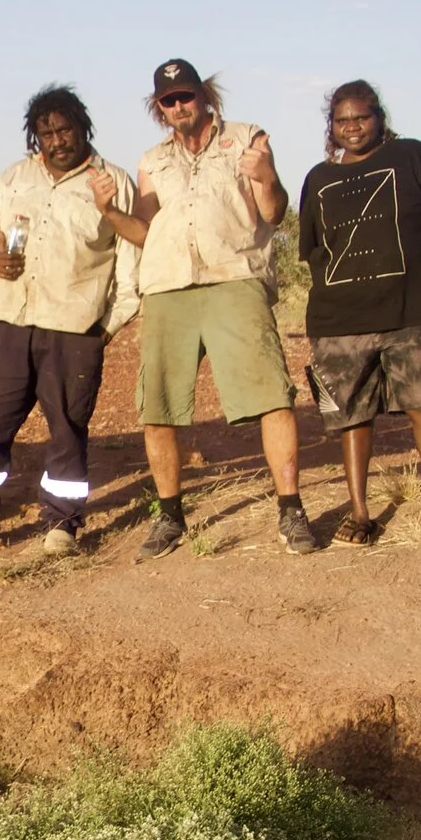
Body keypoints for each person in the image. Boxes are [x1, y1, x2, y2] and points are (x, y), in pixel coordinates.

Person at [106, 59, 311, 558]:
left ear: (205, 96)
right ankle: (169, 516)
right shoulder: (152, 160)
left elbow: (273, 212)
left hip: (234, 279)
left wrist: (267, 178)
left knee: (271, 397)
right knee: (158, 407)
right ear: (159, 108)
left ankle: (291, 510)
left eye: (186, 96)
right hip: (167, 286)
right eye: (168, 100)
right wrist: (109, 211)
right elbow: (144, 230)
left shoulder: (246, 139)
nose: (179, 106)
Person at [0, 85, 140, 557]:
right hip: (9, 323)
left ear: (84, 127)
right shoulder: (13, 179)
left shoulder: (114, 183)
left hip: (74, 329)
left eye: (65, 129)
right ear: (34, 137)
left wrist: (105, 327)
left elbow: (131, 268)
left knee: (66, 426)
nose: (58, 140)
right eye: (46, 133)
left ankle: (62, 524)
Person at [298, 81, 421, 544]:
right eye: (342, 120)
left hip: (413, 311)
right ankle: (360, 514)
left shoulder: (412, 156)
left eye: (361, 118)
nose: (353, 127)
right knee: (351, 416)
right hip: (340, 320)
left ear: (379, 118)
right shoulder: (319, 178)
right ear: (331, 126)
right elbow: (313, 251)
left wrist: (418, 264)